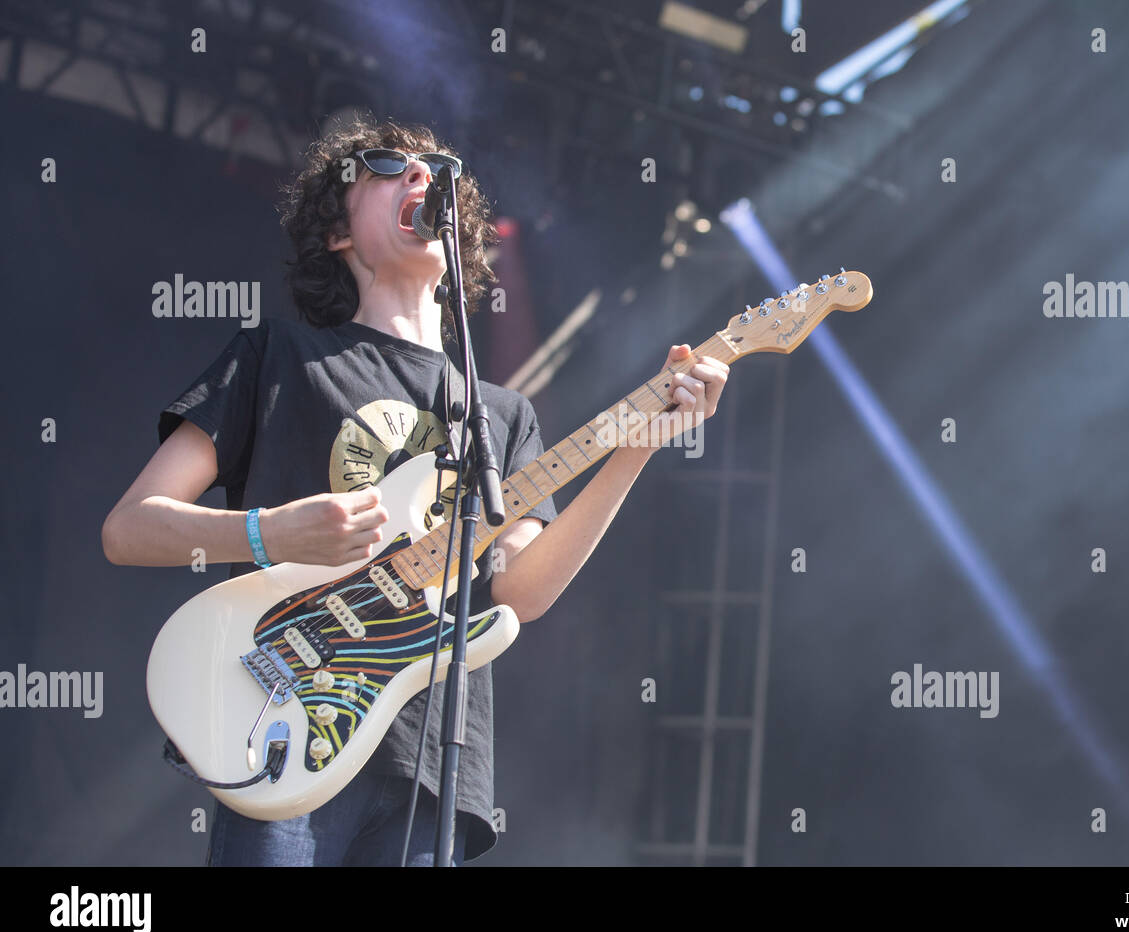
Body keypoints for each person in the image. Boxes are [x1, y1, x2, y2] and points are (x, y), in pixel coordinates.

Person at [101, 116, 729, 866]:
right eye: (388, 165)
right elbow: (130, 528)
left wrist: (633, 450)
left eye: (435, 169)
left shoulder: (502, 415)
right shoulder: (280, 357)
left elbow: (519, 594)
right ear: (337, 231)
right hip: (285, 723)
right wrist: (272, 533)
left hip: (431, 766)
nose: (421, 176)